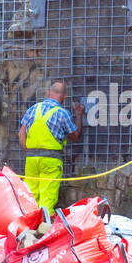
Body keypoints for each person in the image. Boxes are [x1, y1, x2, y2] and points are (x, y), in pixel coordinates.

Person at [18, 79, 84, 212]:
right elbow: (75, 136)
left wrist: (30, 151)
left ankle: (28, 226)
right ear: (64, 96)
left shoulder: (33, 109)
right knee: (47, 197)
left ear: (48, 93)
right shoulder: (62, 113)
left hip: (31, 160)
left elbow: (21, 134)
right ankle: (42, 228)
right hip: (51, 161)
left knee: (31, 195)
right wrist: (78, 115)